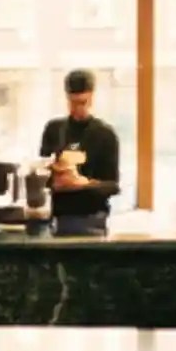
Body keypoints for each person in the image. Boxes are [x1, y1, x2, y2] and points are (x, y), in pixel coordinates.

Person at [39, 69, 120, 236]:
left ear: (91, 98)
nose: (79, 109)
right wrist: (53, 178)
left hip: (92, 219)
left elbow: (112, 186)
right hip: (58, 217)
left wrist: (82, 183)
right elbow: (40, 175)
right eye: (74, 103)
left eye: (83, 102)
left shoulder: (105, 134)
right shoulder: (54, 130)